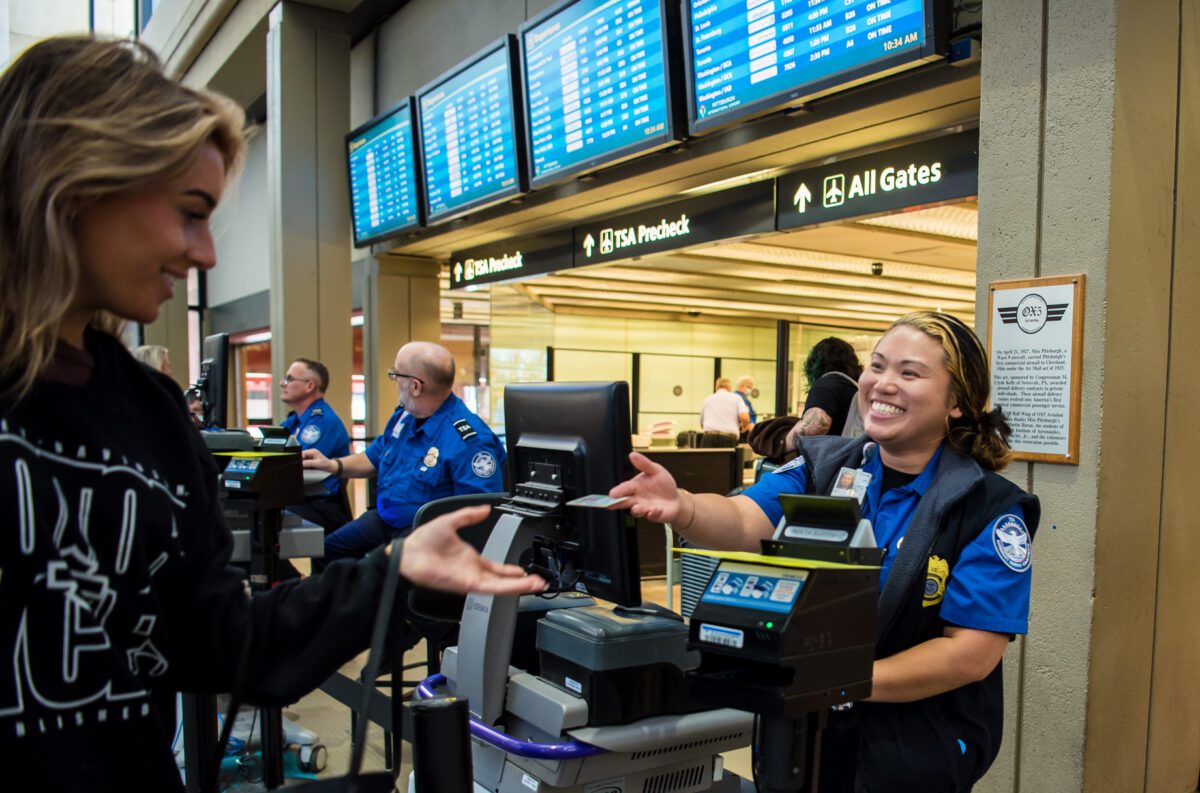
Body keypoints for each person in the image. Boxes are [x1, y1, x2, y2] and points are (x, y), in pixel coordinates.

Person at [0, 37, 543, 792]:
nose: (206, 253)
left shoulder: (151, 420)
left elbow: (229, 643)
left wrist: (390, 571)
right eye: (190, 212)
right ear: (81, 185)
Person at [611, 312, 1039, 792]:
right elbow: (745, 519)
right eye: (877, 366)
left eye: (909, 373)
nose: (883, 384)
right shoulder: (826, 466)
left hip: (910, 754)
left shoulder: (988, 508)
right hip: (802, 740)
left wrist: (838, 682)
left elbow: (970, 654)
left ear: (956, 401)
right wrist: (682, 506)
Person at [304, 341, 507, 565]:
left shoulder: (469, 440)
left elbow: (479, 516)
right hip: (385, 520)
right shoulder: (405, 416)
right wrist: (333, 465)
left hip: (424, 533)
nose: (394, 381)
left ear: (415, 386)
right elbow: (376, 455)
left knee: (377, 573)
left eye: (395, 375)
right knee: (328, 550)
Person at [279, 357, 353, 531]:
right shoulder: (294, 421)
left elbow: (296, 467)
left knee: (264, 522)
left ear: (310, 386)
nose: (282, 383)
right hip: (302, 500)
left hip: (320, 505)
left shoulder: (322, 422)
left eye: (289, 379)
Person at [787, 336, 864, 447]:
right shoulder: (854, 389)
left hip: (832, 462)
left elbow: (814, 427)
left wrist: (782, 443)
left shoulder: (826, 384)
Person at [699, 376, 749, 446]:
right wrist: (744, 428)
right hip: (728, 439)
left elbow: (702, 423)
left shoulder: (707, 399)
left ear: (716, 387)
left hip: (708, 438)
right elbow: (744, 417)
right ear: (730, 387)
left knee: (708, 457)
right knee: (727, 457)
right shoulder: (736, 398)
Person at [734, 375, 757, 441]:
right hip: (744, 432)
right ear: (742, 386)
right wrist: (749, 423)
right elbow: (744, 416)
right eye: (749, 387)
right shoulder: (739, 398)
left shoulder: (742, 398)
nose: (751, 390)